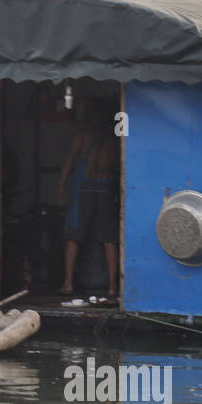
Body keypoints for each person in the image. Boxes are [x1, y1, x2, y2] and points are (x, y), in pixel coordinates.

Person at [57, 113, 119, 300]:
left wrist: (61, 187)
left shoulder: (84, 135)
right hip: (105, 188)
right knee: (109, 238)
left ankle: (68, 283)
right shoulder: (115, 139)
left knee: (73, 235)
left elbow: (69, 159)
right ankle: (112, 287)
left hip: (85, 187)